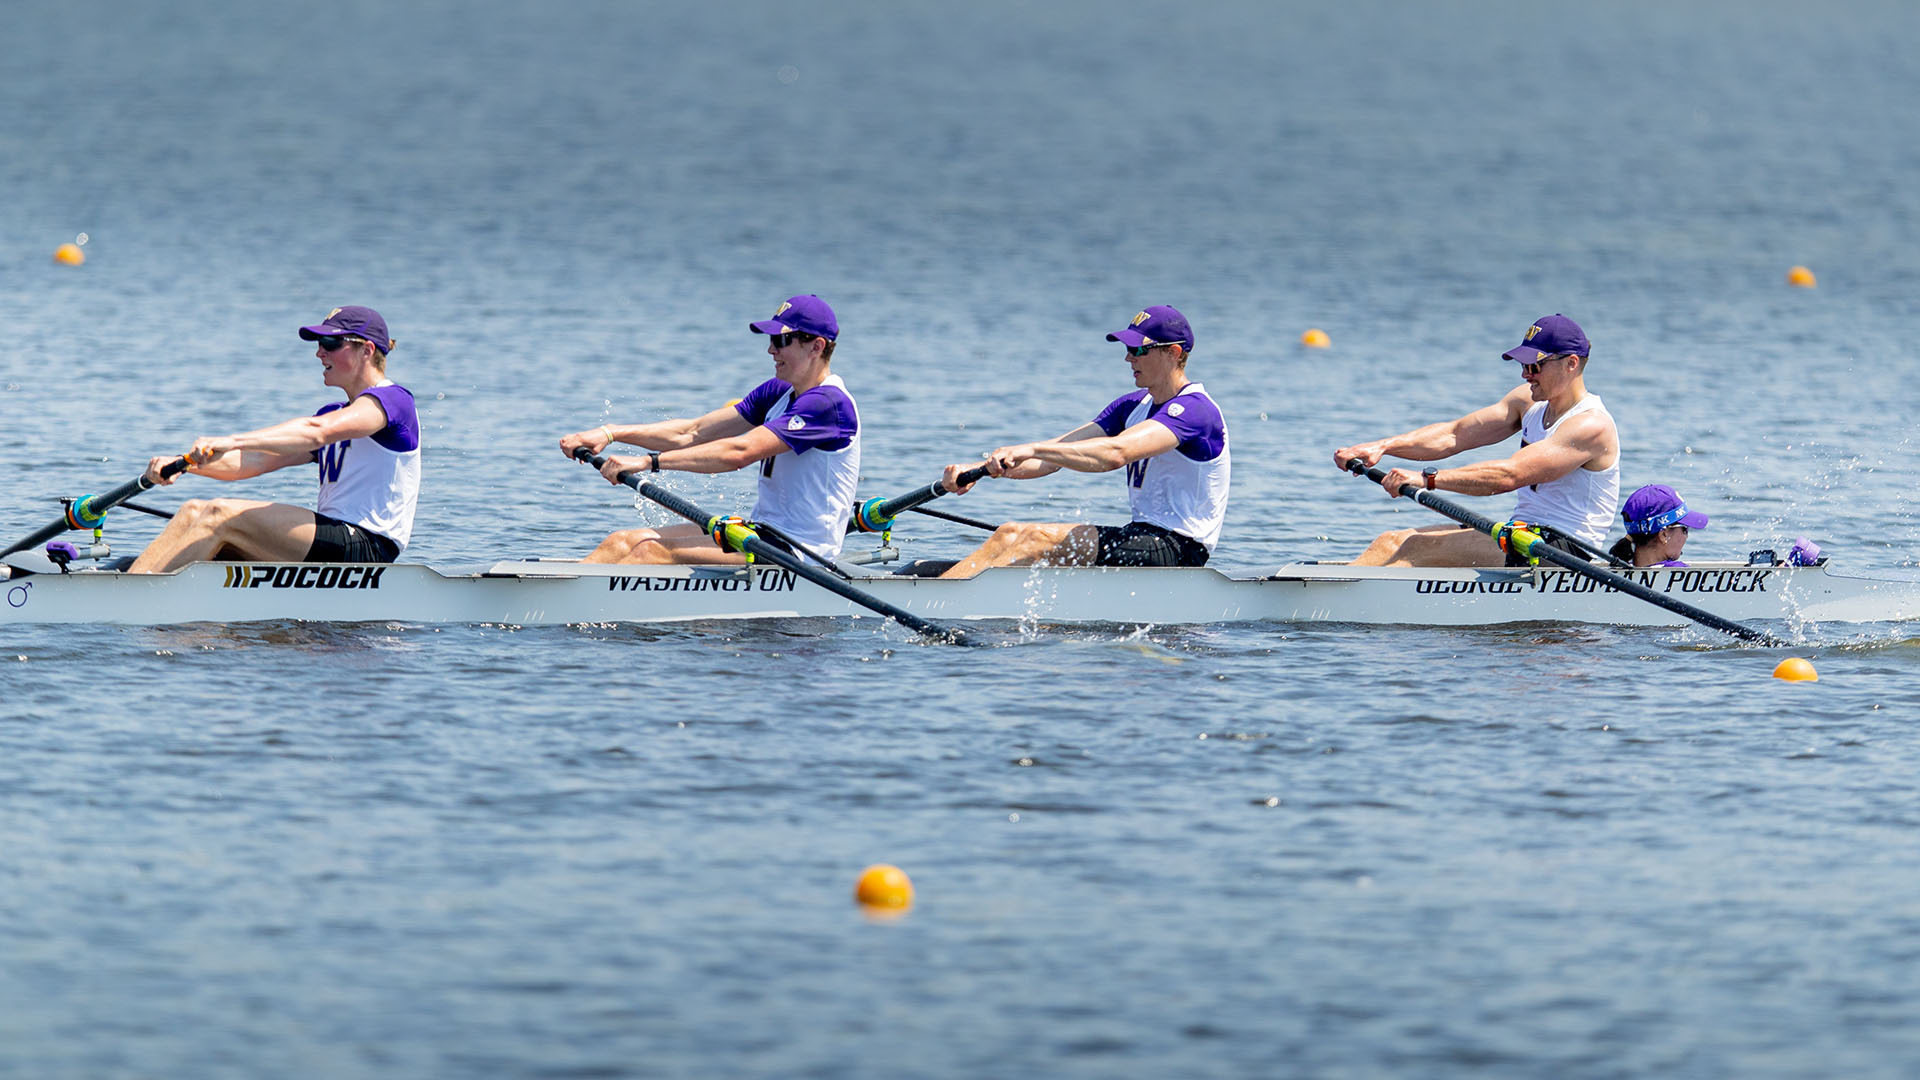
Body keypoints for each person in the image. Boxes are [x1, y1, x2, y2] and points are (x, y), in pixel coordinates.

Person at [557, 294, 860, 565]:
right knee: (622, 541)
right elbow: (691, 433)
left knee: (650, 553)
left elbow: (740, 452)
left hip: (800, 551)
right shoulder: (779, 391)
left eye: (781, 341)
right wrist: (610, 433)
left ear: (816, 347)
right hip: (761, 532)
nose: (770, 350)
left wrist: (648, 462)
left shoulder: (828, 405)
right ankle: (562, 604)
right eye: (770, 340)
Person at [936, 305, 1229, 579]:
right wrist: (974, 470)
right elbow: (1051, 459)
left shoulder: (1195, 411)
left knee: (1031, 538)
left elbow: (1116, 454)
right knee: (1008, 534)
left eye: (1138, 349)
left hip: (1178, 550)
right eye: (1128, 349)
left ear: (1174, 353)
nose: (1129, 358)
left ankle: (938, 602)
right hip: (1141, 538)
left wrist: (1033, 448)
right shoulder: (1132, 406)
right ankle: (951, 591)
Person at [128, 306, 419, 573]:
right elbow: (253, 462)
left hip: (368, 545)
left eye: (330, 344)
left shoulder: (393, 401)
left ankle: (137, 601)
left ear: (367, 350)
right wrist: (183, 465)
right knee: (192, 510)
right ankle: (131, 586)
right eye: (319, 345)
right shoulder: (333, 413)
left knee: (219, 514)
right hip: (334, 537)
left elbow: (317, 430)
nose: (320, 353)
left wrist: (233, 439)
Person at [1332, 313, 1619, 567]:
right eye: (1523, 365)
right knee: (1391, 541)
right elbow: (1454, 434)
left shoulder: (1591, 425)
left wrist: (1427, 479)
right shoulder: (1527, 402)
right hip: (1521, 534)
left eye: (1535, 366)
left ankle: (1338, 611)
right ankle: (1333, 596)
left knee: (1416, 549)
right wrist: (1382, 446)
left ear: (1570, 364)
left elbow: (1510, 475)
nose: (1525, 374)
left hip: (1566, 553)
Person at [1608, 484, 1707, 567]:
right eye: (1684, 530)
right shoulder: (1678, 570)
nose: (1687, 536)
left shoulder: (1616, 568)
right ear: (1663, 535)